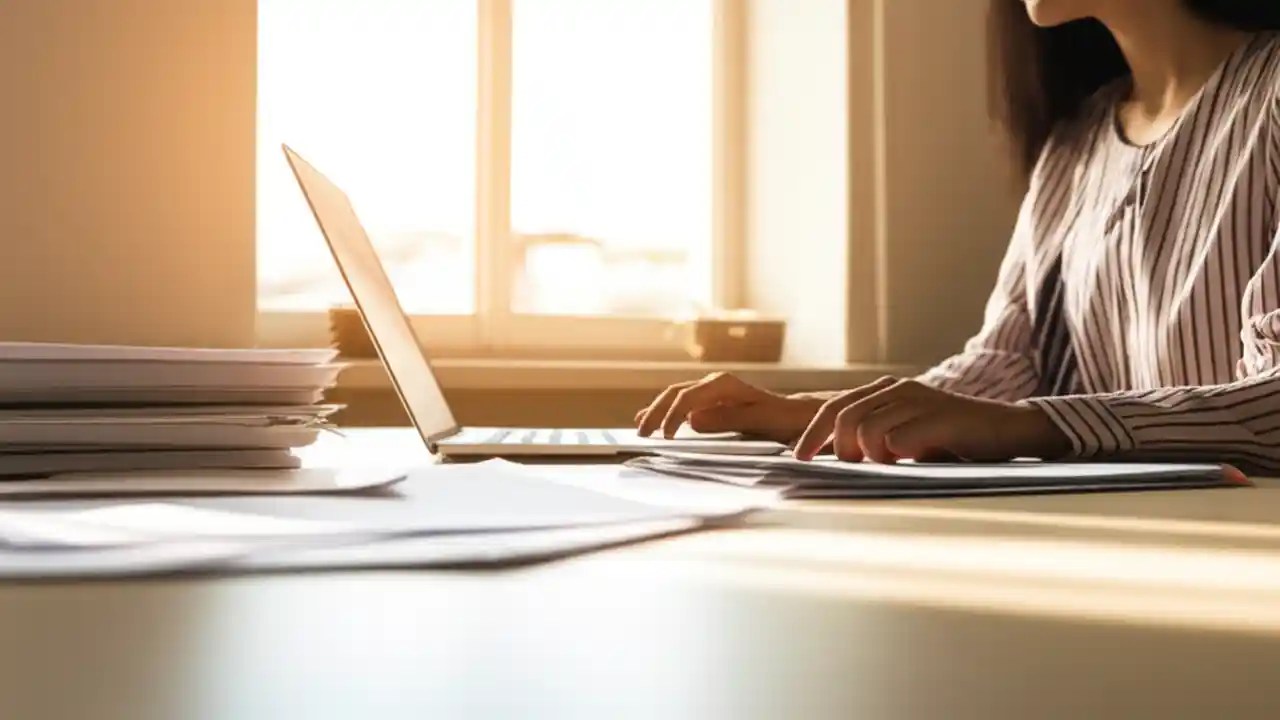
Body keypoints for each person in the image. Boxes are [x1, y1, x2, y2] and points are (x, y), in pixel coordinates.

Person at [635, 0, 1280, 472]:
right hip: (1129, 549)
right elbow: (1005, 367)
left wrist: (1026, 428)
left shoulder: (1269, 98)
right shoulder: (1076, 145)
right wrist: (810, 413)